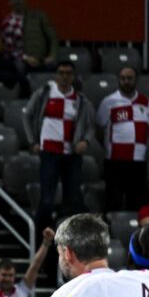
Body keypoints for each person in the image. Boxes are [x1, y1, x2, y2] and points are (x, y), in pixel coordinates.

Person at [23, 60, 91, 228]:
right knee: (46, 200)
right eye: (61, 73)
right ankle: (39, 240)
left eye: (68, 73)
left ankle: (67, 240)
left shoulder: (80, 99)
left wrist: (85, 141)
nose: (64, 77)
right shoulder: (45, 93)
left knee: (73, 200)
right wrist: (32, 141)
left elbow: (90, 126)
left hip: (71, 154)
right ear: (56, 75)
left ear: (73, 76)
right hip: (49, 153)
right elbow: (27, 116)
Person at [96, 67, 149, 213]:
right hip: (115, 160)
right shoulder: (108, 101)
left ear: (136, 80)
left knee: (137, 204)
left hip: (138, 161)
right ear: (118, 80)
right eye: (123, 78)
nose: (126, 81)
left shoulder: (145, 101)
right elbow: (99, 128)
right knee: (113, 202)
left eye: (129, 78)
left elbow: (147, 129)